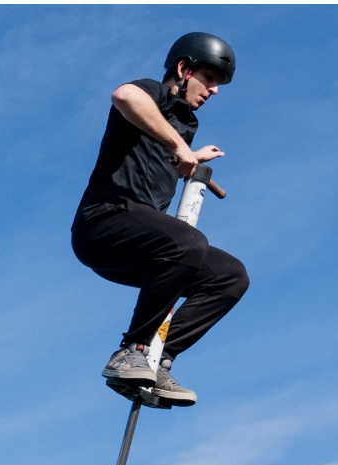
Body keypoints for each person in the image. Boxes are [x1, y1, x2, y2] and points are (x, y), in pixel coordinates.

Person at [72, 32, 250, 405]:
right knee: (187, 242)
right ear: (185, 69)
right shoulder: (151, 91)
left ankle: (157, 359)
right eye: (211, 80)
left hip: (146, 244)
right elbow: (124, 97)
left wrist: (190, 156)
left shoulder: (185, 125)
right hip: (104, 221)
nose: (215, 91)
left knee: (229, 276)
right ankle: (130, 351)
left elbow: (158, 157)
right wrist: (179, 147)